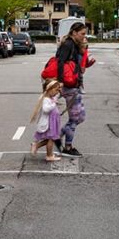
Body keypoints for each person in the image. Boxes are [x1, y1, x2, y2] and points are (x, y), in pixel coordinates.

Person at [55, 22, 88, 156]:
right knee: (75, 118)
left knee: (80, 117)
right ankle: (68, 147)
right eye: (82, 34)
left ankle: (57, 136)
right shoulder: (68, 44)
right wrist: (61, 81)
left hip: (74, 84)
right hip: (68, 85)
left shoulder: (74, 44)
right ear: (74, 32)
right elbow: (60, 61)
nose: (84, 36)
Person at [30, 80, 66, 163]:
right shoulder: (46, 99)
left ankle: (36, 145)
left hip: (53, 121)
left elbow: (58, 94)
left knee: (51, 138)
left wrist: (60, 87)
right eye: (56, 90)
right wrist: (54, 103)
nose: (57, 92)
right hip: (50, 123)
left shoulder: (51, 97)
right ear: (50, 89)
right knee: (51, 139)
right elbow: (46, 109)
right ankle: (49, 156)